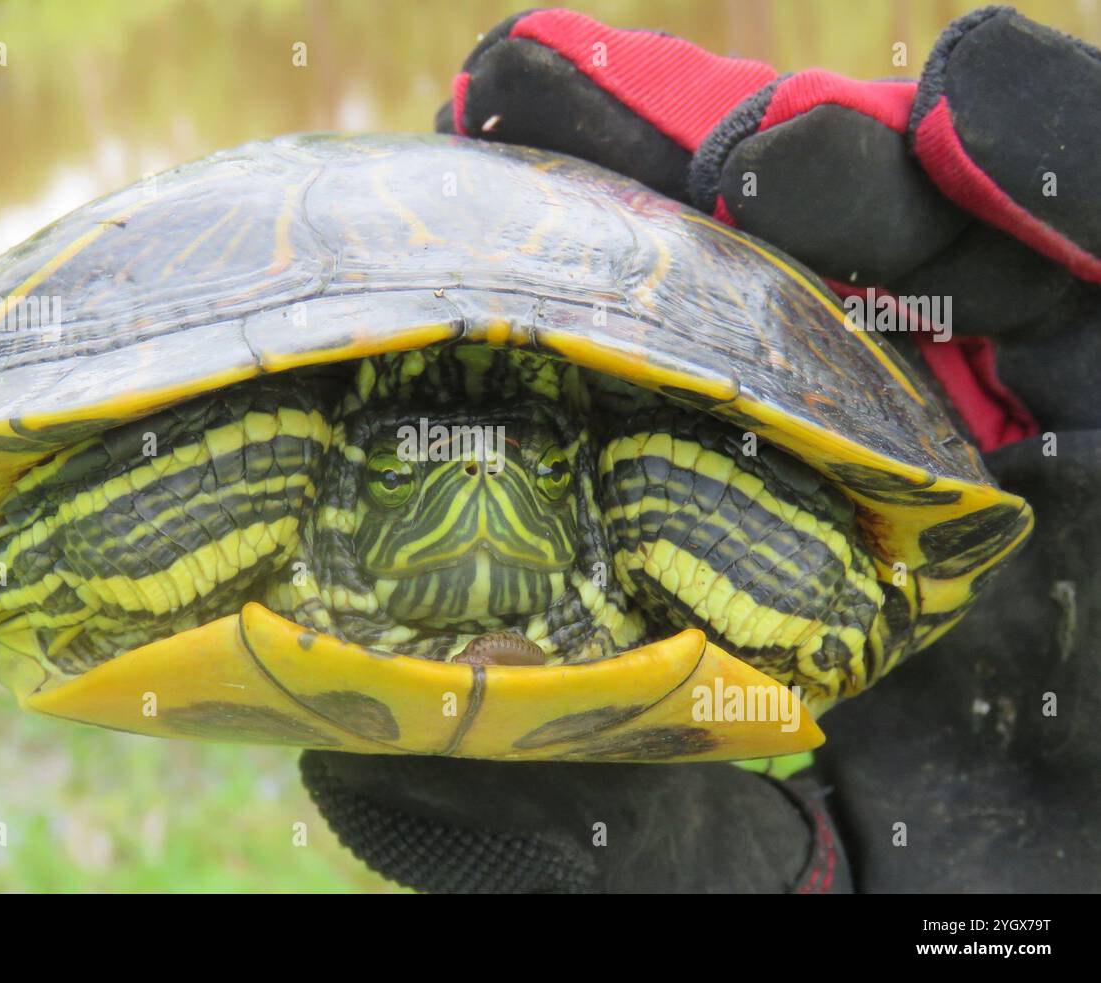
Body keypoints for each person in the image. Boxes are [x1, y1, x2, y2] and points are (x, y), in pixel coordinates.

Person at [300, 5, 1101, 892]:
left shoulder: (641, 482)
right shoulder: (297, 470)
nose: (478, 487)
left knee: (658, 471)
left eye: (549, 474)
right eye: (393, 473)